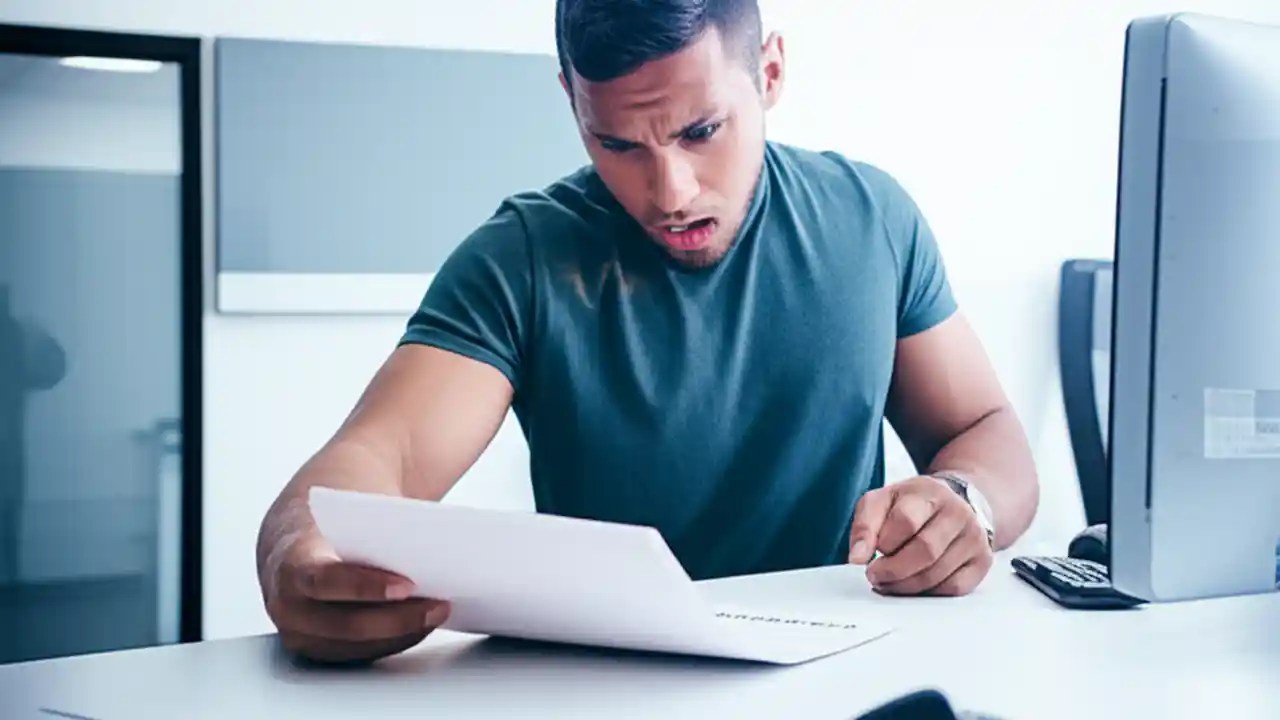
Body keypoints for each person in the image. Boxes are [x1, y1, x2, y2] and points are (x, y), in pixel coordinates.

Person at [257, 0, 1040, 664]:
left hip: (844, 670)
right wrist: (297, 550)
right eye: (619, 144)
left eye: (701, 131)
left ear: (769, 73)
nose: (671, 192)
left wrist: (966, 504)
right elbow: (380, 455)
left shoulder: (874, 220)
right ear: (571, 98)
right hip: (607, 687)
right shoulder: (521, 259)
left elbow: (982, 428)